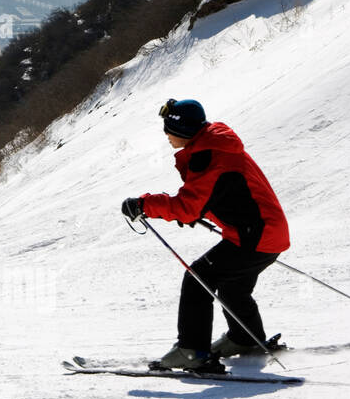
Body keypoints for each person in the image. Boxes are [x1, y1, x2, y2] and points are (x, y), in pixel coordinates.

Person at [122, 99, 289, 369]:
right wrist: (203, 211)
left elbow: (187, 206)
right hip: (266, 232)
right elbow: (225, 193)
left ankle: (191, 351)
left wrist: (143, 205)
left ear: (184, 131)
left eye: (168, 129)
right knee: (232, 287)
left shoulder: (209, 156)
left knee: (198, 278)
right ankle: (244, 338)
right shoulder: (214, 146)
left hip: (254, 236)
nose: (166, 135)